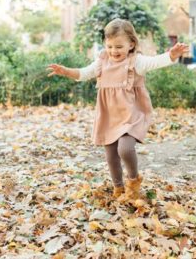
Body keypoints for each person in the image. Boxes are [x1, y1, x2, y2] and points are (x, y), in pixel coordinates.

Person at [47, 18, 188, 204]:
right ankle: (118, 187)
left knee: (125, 149)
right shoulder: (101, 61)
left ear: (131, 44)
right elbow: (83, 73)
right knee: (111, 155)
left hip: (131, 115)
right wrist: (65, 71)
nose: (114, 51)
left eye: (119, 47)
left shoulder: (137, 62)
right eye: (110, 46)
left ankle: (133, 181)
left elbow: (156, 61)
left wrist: (172, 54)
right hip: (109, 116)